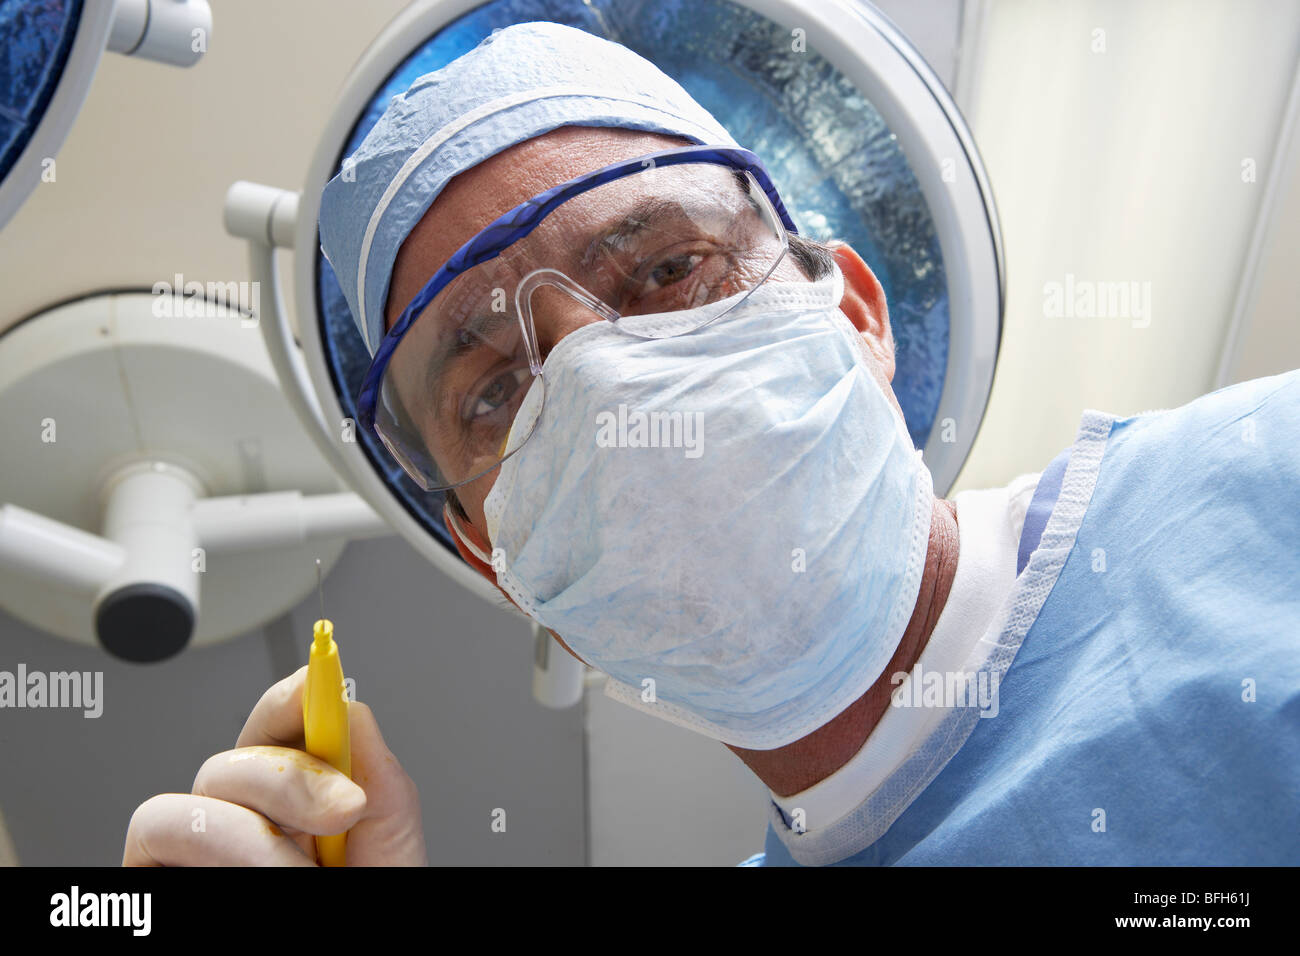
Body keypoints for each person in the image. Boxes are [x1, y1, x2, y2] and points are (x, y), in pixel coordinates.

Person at [124, 21, 1300, 867]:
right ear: (495, 556)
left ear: (851, 309)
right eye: (492, 390)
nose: (598, 380)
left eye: (665, 269)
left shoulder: (1261, 479)